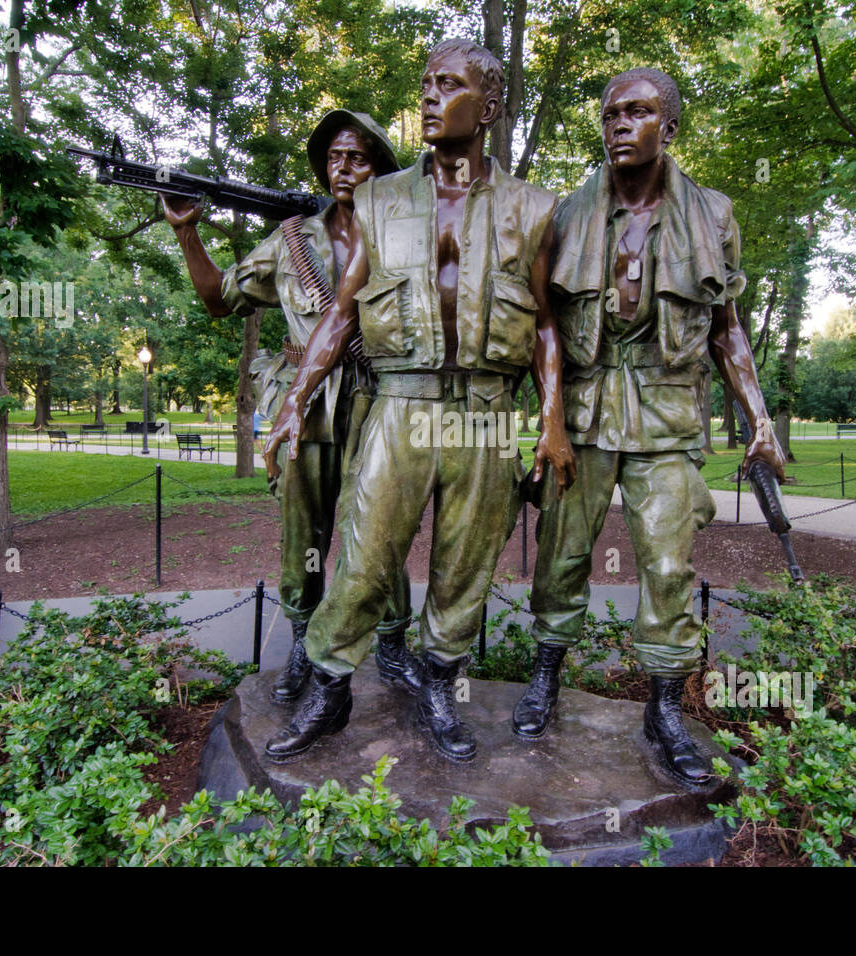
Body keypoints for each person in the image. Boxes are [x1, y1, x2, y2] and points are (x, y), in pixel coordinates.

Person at [262, 38, 576, 763]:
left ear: (489, 106)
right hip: (401, 405)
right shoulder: (380, 197)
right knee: (366, 553)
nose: (431, 97)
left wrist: (551, 421)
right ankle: (331, 687)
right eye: (427, 84)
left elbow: (545, 325)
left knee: (468, 563)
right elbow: (342, 315)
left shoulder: (532, 207)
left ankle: (441, 682)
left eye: (450, 85)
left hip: (489, 411)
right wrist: (296, 398)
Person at [515, 68, 786, 785]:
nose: (619, 126)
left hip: (667, 415)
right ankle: (546, 673)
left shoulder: (714, 215)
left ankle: (664, 706)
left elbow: (727, 329)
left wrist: (759, 418)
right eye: (610, 114)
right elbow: (541, 325)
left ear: (667, 128)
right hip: (582, 414)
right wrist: (546, 424)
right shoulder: (566, 216)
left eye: (637, 113)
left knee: (668, 564)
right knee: (562, 553)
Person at [162, 110, 419, 704]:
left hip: (379, 399)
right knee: (304, 531)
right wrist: (186, 232)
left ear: (379, 166)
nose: (343, 168)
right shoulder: (292, 240)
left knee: (381, 528)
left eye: (357, 157)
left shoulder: (404, 235)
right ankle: (304, 648)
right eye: (333, 157)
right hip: (306, 408)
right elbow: (218, 299)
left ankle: (393, 646)